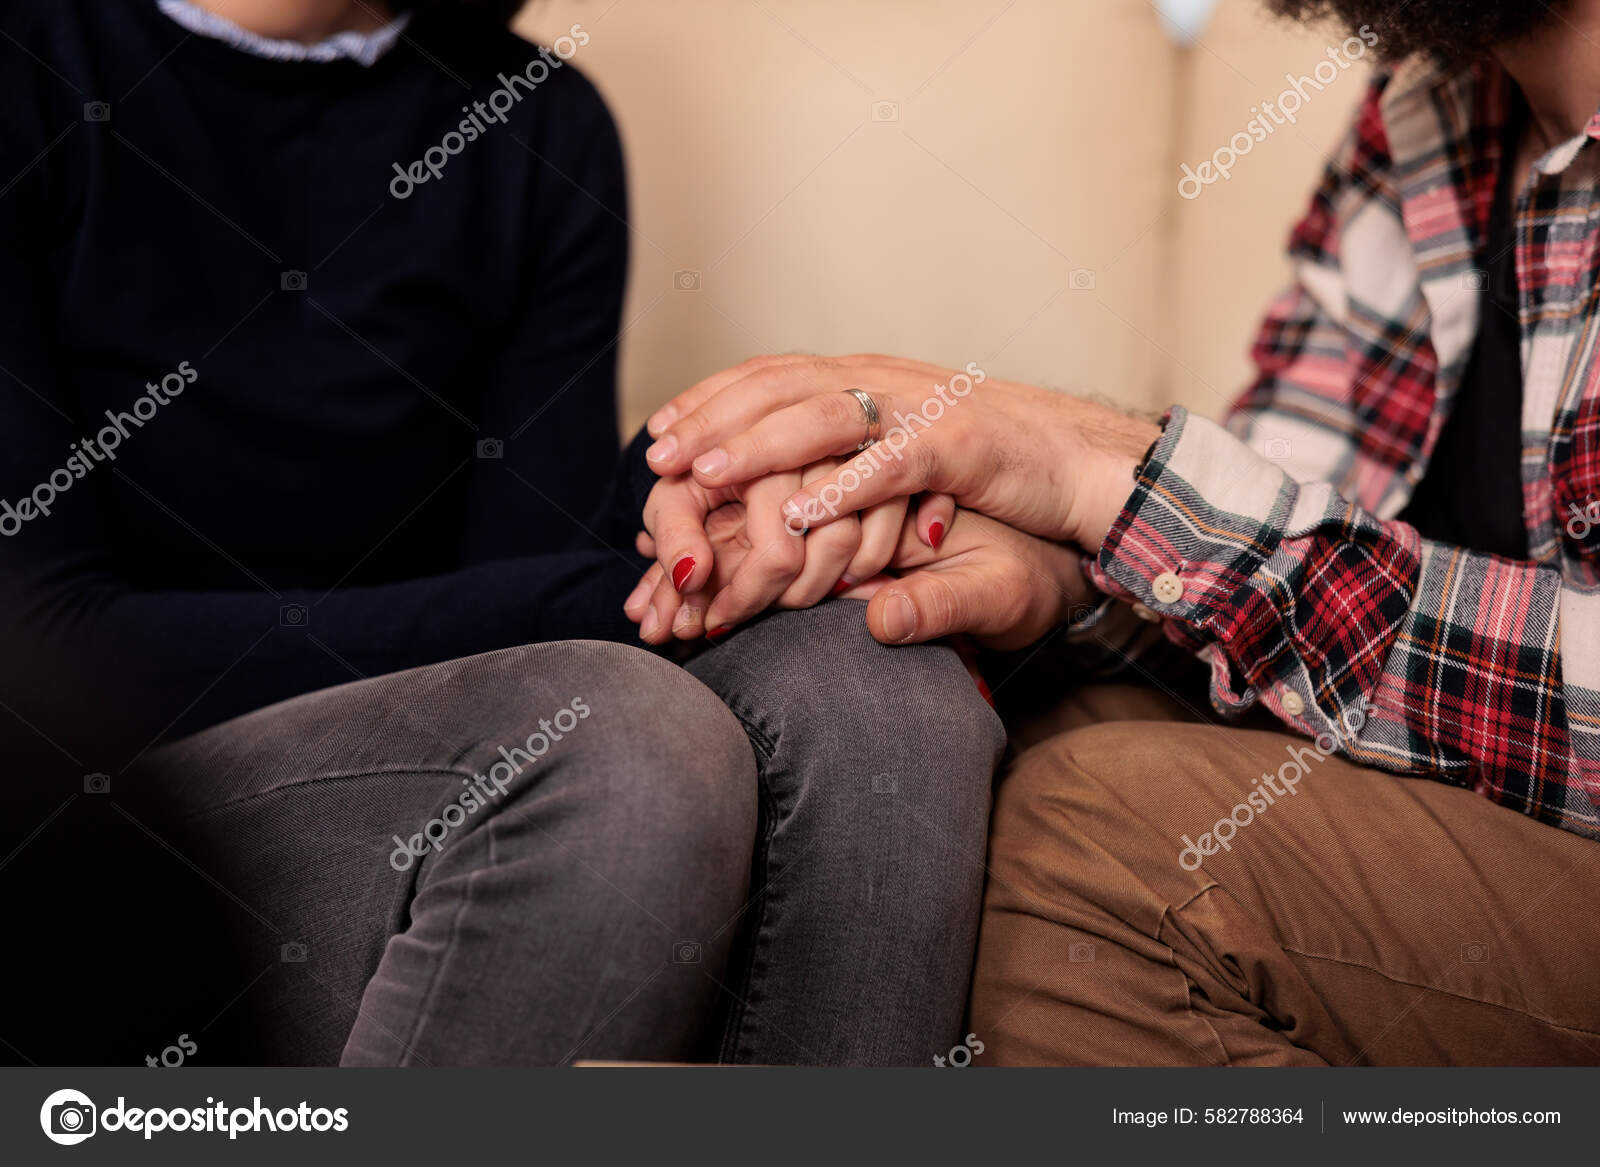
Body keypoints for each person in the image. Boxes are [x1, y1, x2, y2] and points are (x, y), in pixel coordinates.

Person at [0, 0, 1002, 1066]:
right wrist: (628, 589)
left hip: (416, 753)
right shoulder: (32, 69)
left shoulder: (534, 121)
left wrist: (714, 494)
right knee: (620, 740)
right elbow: (51, 651)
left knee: (883, 674)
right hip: (102, 820)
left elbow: (519, 579)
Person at [635, 0, 1600, 1064]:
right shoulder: (1431, 104)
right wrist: (1052, 572)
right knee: (969, 720)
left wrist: (1094, 465)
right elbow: (1311, 532)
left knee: (1106, 839)